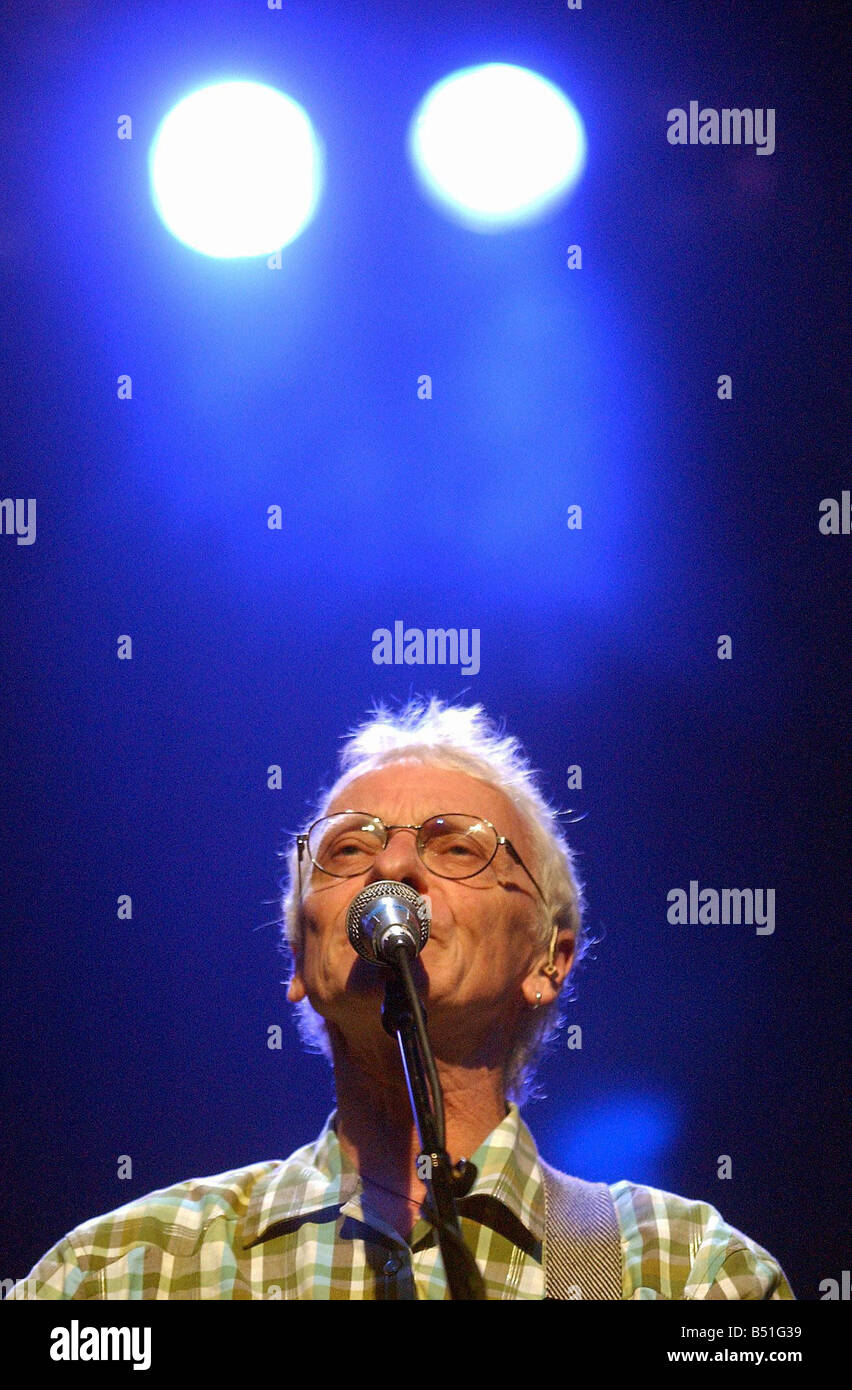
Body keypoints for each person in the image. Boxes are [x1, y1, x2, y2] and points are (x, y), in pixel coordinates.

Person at [9, 698, 793, 1300]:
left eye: (457, 846)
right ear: (299, 959)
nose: (393, 866)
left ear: (548, 960)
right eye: (349, 848)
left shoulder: (684, 1271)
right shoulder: (119, 1275)